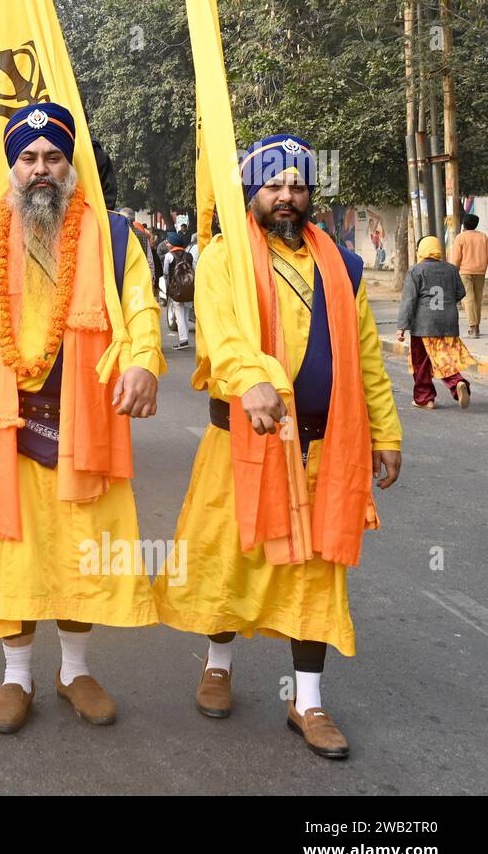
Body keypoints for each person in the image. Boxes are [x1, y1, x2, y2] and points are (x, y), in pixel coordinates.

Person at [155, 133, 402, 760]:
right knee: (228, 556)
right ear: (252, 192)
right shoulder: (223, 260)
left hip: (323, 446)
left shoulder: (340, 264)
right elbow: (224, 332)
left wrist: (386, 432)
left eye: (297, 185)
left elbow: (367, 358)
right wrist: (253, 381)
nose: (287, 196)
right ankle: (217, 665)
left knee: (317, 572)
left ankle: (309, 701)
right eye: (274, 185)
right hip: (240, 437)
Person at [0, 102, 163, 735]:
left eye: (53, 157)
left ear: (70, 166)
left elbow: (142, 310)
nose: (41, 169)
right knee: (11, 554)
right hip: (2, 425)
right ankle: (16, 677)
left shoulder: (114, 235)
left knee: (81, 551)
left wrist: (144, 362)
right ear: (12, 167)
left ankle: (73, 669)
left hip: (83, 420)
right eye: (29, 158)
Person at [397, 235, 473, 410]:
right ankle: (457, 383)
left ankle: (425, 399)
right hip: (448, 324)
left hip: (424, 325)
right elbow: (460, 293)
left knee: (421, 363)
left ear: (422, 251)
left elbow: (409, 301)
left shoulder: (416, 271)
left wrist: (402, 327)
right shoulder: (451, 270)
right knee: (444, 358)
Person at [447, 212, 486, 338]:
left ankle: (473, 328)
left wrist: (453, 271)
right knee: (477, 300)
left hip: (465, 272)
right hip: (480, 272)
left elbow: (456, 258)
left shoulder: (461, 237)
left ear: (464, 224)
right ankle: (477, 327)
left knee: (468, 299)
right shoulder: (484, 237)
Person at [159, 231, 195, 349]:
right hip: (189, 289)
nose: (166, 243)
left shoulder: (169, 256)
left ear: (173, 243)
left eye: (168, 241)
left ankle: (183, 341)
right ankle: (185, 339)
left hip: (176, 290)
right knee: (185, 314)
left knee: (179, 315)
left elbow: (165, 272)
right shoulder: (189, 255)